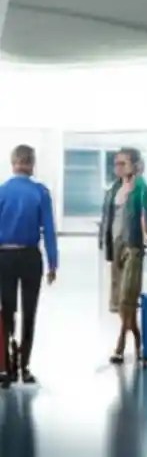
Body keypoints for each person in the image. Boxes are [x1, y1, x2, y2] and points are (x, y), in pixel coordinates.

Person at [0, 145, 58, 387]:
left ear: (13, 162)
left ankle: (6, 366)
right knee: (29, 311)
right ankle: (24, 366)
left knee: (7, 311)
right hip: (31, 257)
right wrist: (53, 262)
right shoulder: (40, 192)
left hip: (4, 256)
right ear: (32, 164)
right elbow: (49, 230)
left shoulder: (2, 191)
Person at [100, 147, 147, 364]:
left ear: (135, 165)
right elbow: (108, 218)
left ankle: (121, 342)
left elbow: (144, 214)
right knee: (118, 299)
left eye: (123, 163)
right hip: (116, 246)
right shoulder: (113, 189)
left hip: (133, 247)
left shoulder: (140, 187)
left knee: (127, 297)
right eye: (116, 164)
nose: (118, 168)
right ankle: (137, 336)